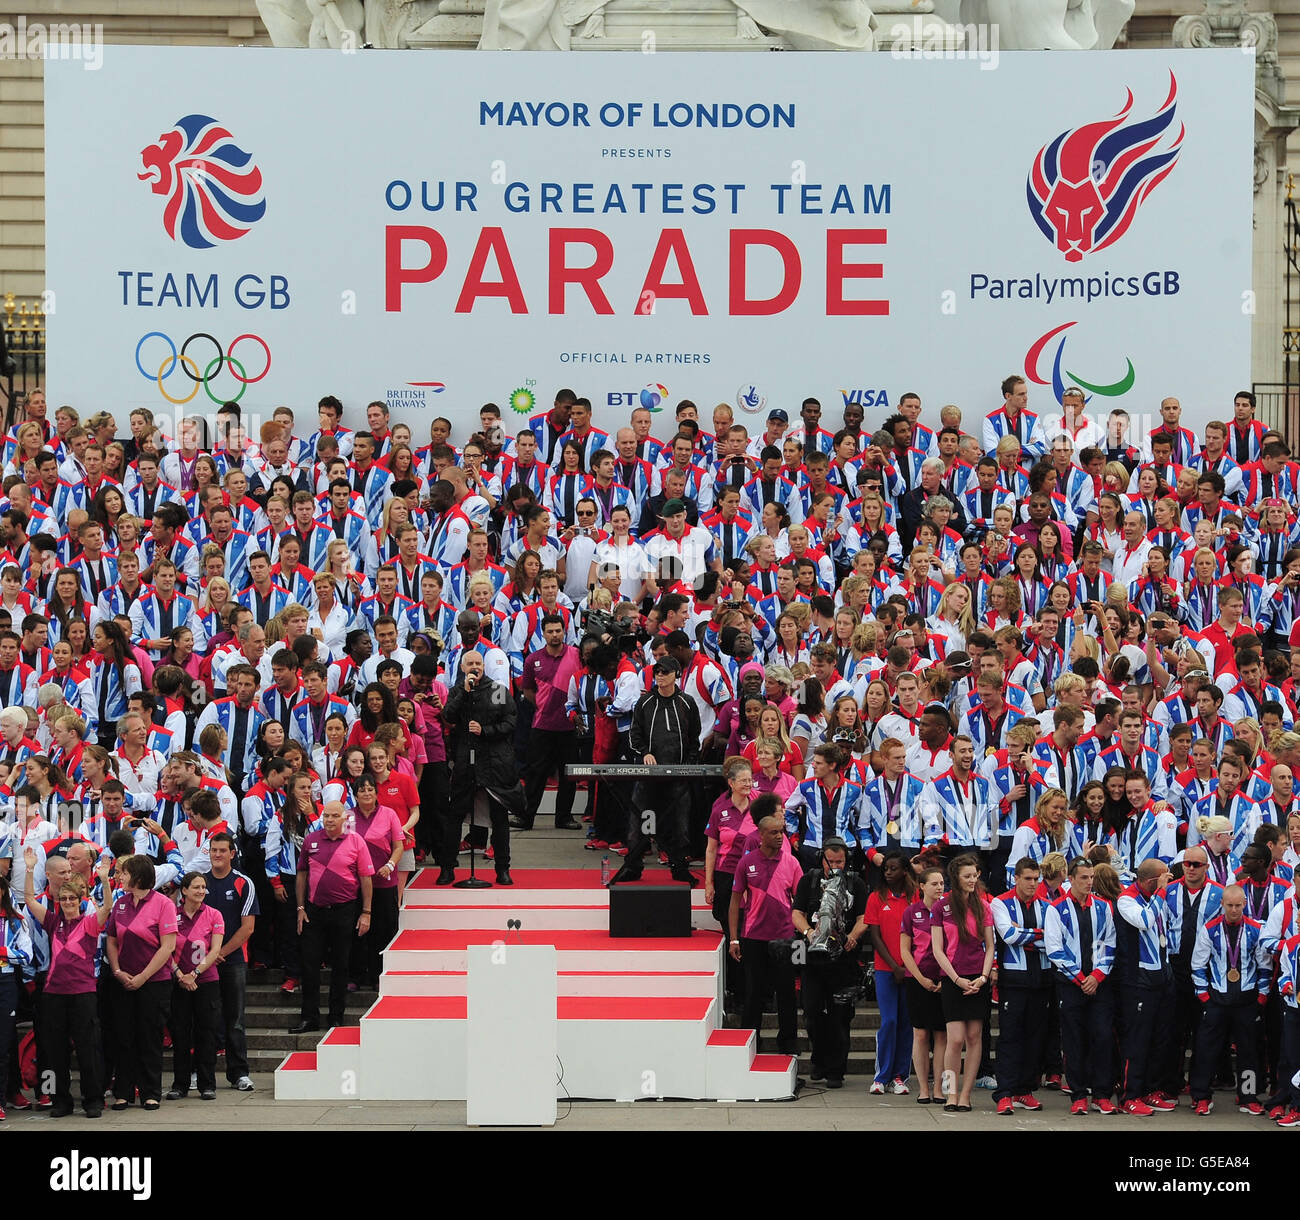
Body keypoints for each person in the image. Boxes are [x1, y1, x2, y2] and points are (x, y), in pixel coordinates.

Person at [23, 846, 112, 1118]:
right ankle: (62, 1101)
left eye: (73, 898)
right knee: (56, 1050)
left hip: (83, 993)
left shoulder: (89, 923)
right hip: (53, 994)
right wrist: (29, 869)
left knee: (88, 1050)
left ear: (81, 898)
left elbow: (107, 906)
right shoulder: (52, 922)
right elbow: (28, 899)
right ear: (59, 900)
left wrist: (105, 879)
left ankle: (93, 1100)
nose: (69, 903)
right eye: (64, 899)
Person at [609, 656, 702, 886]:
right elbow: (634, 735)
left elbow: (694, 739)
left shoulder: (688, 703)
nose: (660, 676)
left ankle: (679, 867)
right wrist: (643, 754)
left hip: (678, 776)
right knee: (637, 822)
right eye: (657, 672)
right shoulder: (644, 703)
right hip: (647, 775)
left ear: (675, 675)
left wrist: (688, 764)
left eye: (665, 672)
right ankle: (633, 866)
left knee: (680, 824)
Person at [791, 835, 868, 1090]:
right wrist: (808, 933)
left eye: (840, 861)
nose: (835, 865)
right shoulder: (808, 880)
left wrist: (854, 937)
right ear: (821, 858)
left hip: (842, 959)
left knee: (840, 1016)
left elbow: (863, 917)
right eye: (831, 861)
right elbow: (797, 913)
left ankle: (836, 1069)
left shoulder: (855, 882)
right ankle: (818, 1059)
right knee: (812, 1011)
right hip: (812, 957)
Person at [104, 854, 178, 1111]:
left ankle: (150, 1092)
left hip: (154, 981)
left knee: (149, 1037)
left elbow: (167, 946)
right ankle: (123, 1092)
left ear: (137, 876)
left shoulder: (163, 904)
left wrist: (143, 977)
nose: (120, 877)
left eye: (124, 873)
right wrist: (116, 970)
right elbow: (111, 940)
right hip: (123, 980)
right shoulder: (120, 904)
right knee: (123, 1036)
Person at [292, 803, 374, 1034]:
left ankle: (336, 1017)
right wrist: (300, 907)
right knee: (309, 966)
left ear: (344, 818)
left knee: (340, 965)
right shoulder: (311, 840)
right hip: (314, 911)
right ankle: (309, 1018)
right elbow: (301, 874)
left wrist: (366, 912)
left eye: (334, 816)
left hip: (344, 910)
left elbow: (366, 879)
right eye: (326, 815)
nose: (329, 820)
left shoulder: (356, 841)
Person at [1189, 883, 1270, 1116]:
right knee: (1206, 1049)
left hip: (1247, 1001)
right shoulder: (1210, 929)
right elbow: (1197, 966)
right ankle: (1201, 1097)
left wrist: (1261, 998)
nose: (1234, 910)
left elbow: (1264, 967)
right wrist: (1204, 997)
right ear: (1222, 904)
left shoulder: (1256, 929)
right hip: (1216, 1000)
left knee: (1249, 1051)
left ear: (1245, 904)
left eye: (1238, 905)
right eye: (1230, 905)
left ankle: (1248, 1097)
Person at [729, 806, 804, 1057]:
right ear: (760, 834)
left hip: (784, 938)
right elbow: (734, 901)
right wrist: (734, 937)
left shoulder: (792, 863)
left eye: (781, 832)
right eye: (773, 833)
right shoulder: (746, 863)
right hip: (753, 938)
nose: (779, 837)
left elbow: (801, 902)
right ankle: (750, 1044)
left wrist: (800, 933)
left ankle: (789, 1045)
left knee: (786, 993)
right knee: (753, 993)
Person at [441, 650, 519, 887]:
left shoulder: (496, 690)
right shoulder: (457, 691)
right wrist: (464, 693)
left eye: (478, 663)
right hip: (466, 761)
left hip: (494, 762)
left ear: (484, 666)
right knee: (455, 815)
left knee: (499, 817)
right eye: (470, 663)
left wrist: (486, 731)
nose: (474, 667)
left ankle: (503, 869)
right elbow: (448, 716)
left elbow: (510, 721)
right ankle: (447, 868)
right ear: (463, 668)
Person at [930, 853, 994, 1111]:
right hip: (952, 979)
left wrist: (983, 977)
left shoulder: (983, 906)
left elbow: (989, 946)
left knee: (974, 1036)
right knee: (954, 1038)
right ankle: (950, 1092)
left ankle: (965, 1094)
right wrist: (956, 979)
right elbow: (937, 949)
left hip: (978, 978)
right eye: (967, 876)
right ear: (955, 878)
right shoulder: (941, 907)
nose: (972, 879)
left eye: (975, 875)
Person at [1115, 858, 1178, 1115]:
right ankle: (1130, 1095)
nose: (1168, 883)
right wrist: (1161, 892)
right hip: (1138, 979)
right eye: (1163, 879)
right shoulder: (1126, 899)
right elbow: (1145, 920)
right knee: (1138, 1040)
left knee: (1160, 1038)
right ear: (1151, 880)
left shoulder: (1157, 897)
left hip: (1163, 974)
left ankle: (1151, 1090)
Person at [991, 857, 1052, 1115]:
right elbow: (1008, 935)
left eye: (1036, 879)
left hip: (1042, 980)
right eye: (1027, 878)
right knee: (1010, 1037)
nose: (1032, 883)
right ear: (1015, 878)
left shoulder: (1048, 906)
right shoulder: (1000, 902)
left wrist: (1029, 934)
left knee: (1035, 1039)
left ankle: (1024, 1091)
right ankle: (1004, 1092)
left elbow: (1054, 941)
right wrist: (1039, 934)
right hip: (1013, 982)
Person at [203, 830, 258, 1091]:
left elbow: (248, 928)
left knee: (234, 1018)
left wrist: (220, 952)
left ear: (232, 854)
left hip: (233, 959)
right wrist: (208, 957)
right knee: (204, 1018)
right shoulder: (199, 883)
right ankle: (201, 1074)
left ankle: (239, 1073)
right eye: (214, 850)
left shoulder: (243, 883)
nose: (217, 854)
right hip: (202, 962)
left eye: (222, 850)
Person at [517, 613, 582, 831]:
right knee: (536, 774)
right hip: (541, 726)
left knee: (568, 774)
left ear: (564, 631)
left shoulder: (576, 655)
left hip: (569, 726)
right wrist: (543, 706)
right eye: (550, 631)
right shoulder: (532, 659)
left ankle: (563, 817)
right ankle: (526, 818)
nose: (555, 635)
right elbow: (526, 689)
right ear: (543, 634)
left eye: (558, 631)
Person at [166, 870, 225, 1101]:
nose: (201, 891)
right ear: (185, 890)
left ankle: (207, 1084)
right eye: (196, 887)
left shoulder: (214, 915)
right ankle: (179, 1084)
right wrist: (180, 974)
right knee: (180, 1034)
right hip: (179, 982)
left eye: (203, 887)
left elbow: (215, 950)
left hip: (207, 982)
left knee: (207, 1034)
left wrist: (195, 973)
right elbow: (166, 948)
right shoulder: (172, 914)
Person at [864, 850, 915, 1094]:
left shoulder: (914, 898)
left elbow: (920, 935)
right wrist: (894, 966)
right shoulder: (876, 897)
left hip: (911, 970)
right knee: (889, 1021)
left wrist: (907, 965)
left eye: (893, 868)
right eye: (885, 868)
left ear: (905, 870)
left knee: (906, 1022)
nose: (888, 872)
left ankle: (899, 1076)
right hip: (886, 970)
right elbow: (874, 936)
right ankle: (881, 1076)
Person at [348, 773, 405, 990]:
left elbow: (398, 846)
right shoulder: (348, 817)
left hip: (384, 882)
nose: (366, 793)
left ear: (376, 791)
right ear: (355, 794)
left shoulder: (389, 814)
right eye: (361, 789)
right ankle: (355, 976)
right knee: (357, 931)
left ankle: (379, 975)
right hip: (356, 884)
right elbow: (344, 848)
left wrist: (390, 865)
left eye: (370, 789)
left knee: (384, 930)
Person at [899, 863, 948, 1104]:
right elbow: (905, 950)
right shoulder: (911, 912)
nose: (940, 888)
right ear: (922, 887)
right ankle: (923, 1088)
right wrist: (921, 979)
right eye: (934, 883)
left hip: (945, 979)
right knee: (920, 1034)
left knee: (941, 1035)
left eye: (942, 883)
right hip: (917, 980)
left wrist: (943, 978)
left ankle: (938, 1087)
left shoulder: (950, 910)